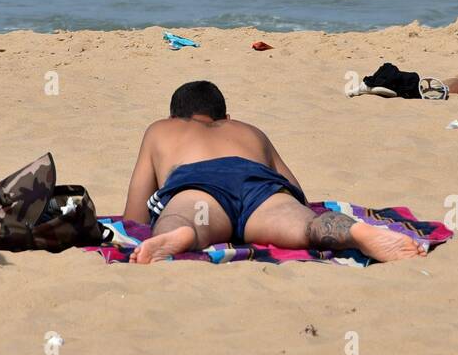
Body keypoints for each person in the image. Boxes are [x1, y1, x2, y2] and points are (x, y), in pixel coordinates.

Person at [121, 81, 424, 263]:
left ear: (173, 117)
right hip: (259, 185)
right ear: (226, 117)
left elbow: (134, 217)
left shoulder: (161, 129)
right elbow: (295, 191)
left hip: (198, 186)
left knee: (181, 219)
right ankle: (354, 232)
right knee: (307, 225)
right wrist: (291, 209)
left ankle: (182, 232)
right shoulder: (248, 131)